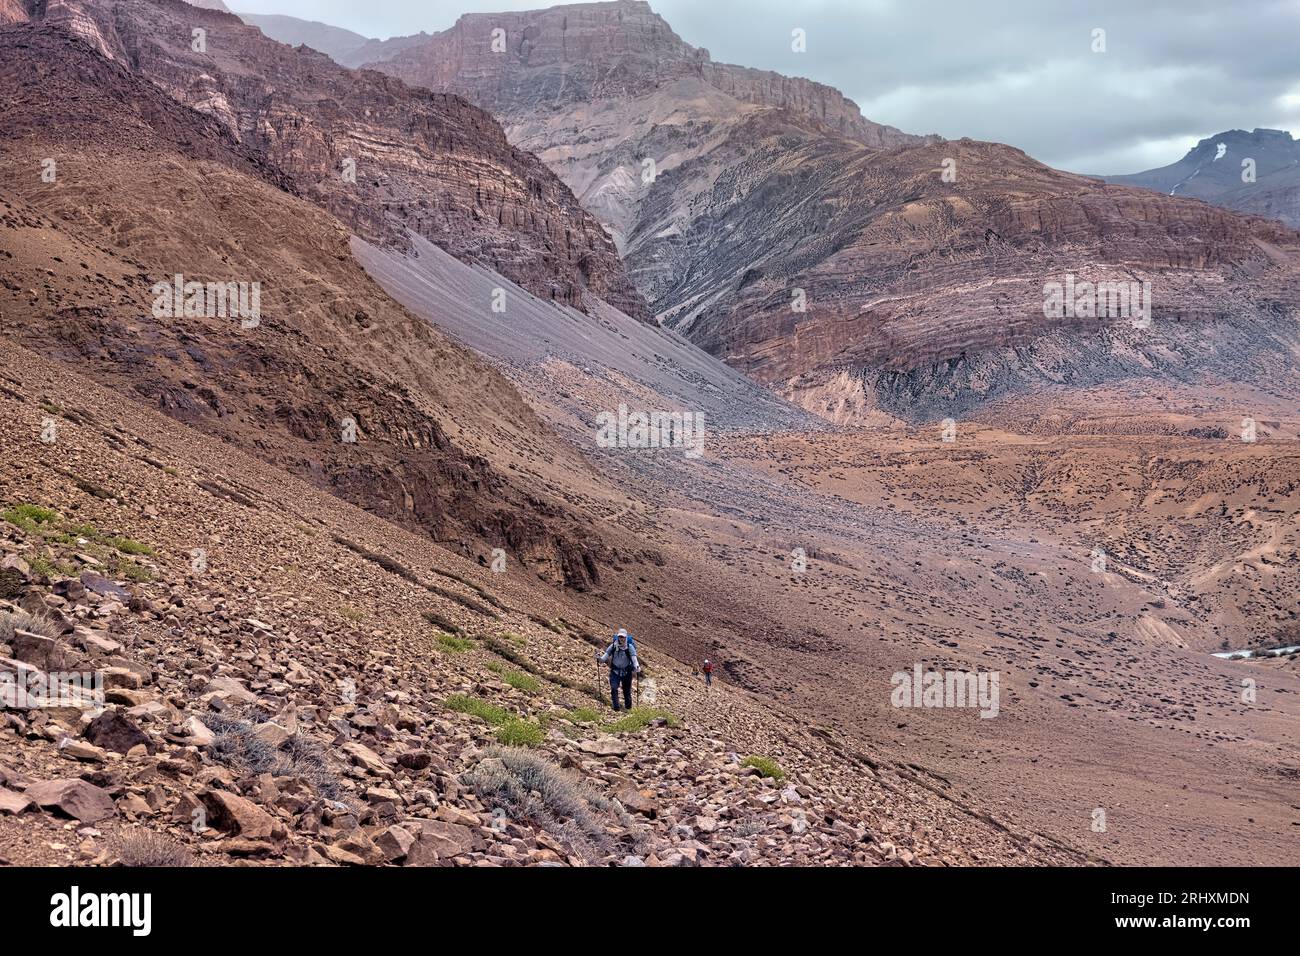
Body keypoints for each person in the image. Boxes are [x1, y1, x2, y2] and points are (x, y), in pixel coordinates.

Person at [597, 628, 640, 711]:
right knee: (614, 688)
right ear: (618, 637)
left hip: (627, 672)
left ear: (626, 637)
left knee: (626, 691)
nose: (621, 639)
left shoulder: (630, 647)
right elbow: (605, 657)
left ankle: (628, 708)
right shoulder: (613, 645)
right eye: (620, 637)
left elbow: (634, 659)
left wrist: (637, 667)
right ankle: (616, 708)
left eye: (623, 637)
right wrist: (600, 659)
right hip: (615, 671)